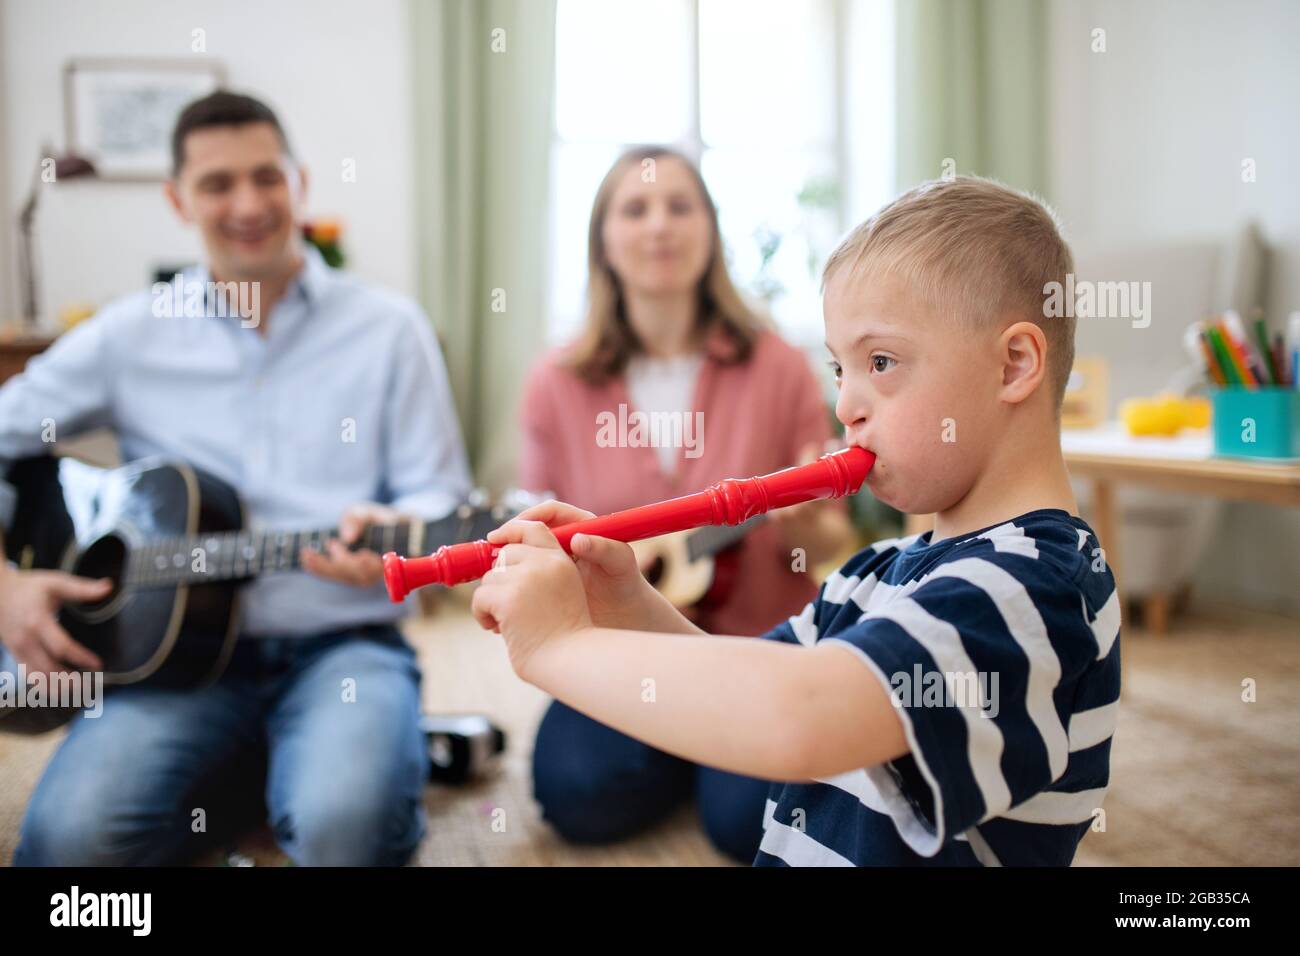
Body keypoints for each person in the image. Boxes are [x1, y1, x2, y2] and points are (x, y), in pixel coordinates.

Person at [475, 177, 1122, 865]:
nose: (846, 406)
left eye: (880, 361)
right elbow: (740, 674)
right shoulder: (879, 572)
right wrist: (628, 603)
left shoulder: (1030, 587)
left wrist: (556, 644)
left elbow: (800, 720)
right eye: (839, 369)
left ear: (1014, 364)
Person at [0, 91, 471, 866]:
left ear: (301, 182)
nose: (248, 204)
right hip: (164, 668)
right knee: (65, 847)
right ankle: (247, 783)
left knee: (344, 830)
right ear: (177, 199)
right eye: (218, 184)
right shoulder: (126, 334)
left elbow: (441, 499)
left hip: (342, 646)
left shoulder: (391, 330)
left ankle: (279, 779)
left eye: (267, 177)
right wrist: (8, 586)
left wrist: (394, 548)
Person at [520, 146, 855, 862]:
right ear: (602, 239)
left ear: (710, 231)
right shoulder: (555, 381)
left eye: (681, 206)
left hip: (758, 648)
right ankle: (695, 751)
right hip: (620, 652)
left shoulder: (777, 364)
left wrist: (808, 525)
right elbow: (535, 535)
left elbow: (828, 543)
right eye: (634, 209)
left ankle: (702, 756)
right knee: (572, 796)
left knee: (747, 827)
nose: (659, 226)